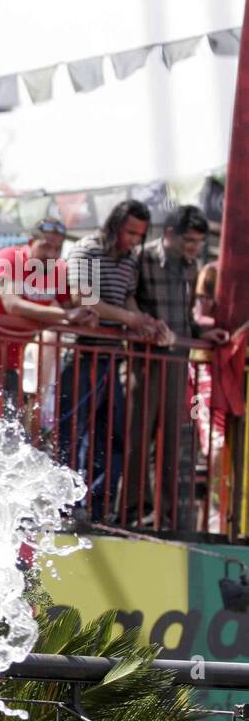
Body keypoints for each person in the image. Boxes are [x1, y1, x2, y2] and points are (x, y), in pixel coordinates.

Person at [59, 200, 171, 520]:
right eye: (130, 232)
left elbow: (127, 299)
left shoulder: (129, 261)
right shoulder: (86, 249)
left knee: (112, 436)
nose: (134, 239)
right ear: (115, 225)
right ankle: (65, 507)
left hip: (109, 357)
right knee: (73, 434)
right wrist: (131, 319)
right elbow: (83, 297)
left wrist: (146, 322)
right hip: (81, 352)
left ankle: (96, 509)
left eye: (140, 234)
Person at [125, 206, 229, 527]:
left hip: (177, 359)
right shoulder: (141, 258)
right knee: (138, 436)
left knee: (174, 438)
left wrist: (201, 332)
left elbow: (185, 315)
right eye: (189, 240)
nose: (193, 247)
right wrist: (146, 325)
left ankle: (169, 513)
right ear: (169, 233)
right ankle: (133, 510)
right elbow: (127, 302)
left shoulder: (190, 265)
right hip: (144, 358)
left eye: (198, 241)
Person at [0, 219, 97, 415]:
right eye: (46, 246)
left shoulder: (59, 269)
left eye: (57, 248)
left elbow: (73, 306)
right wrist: (67, 315)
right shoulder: (8, 257)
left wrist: (86, 313)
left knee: (10, 431)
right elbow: (12, 304)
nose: (51, 254)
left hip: (10, 361)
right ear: (31, 242)